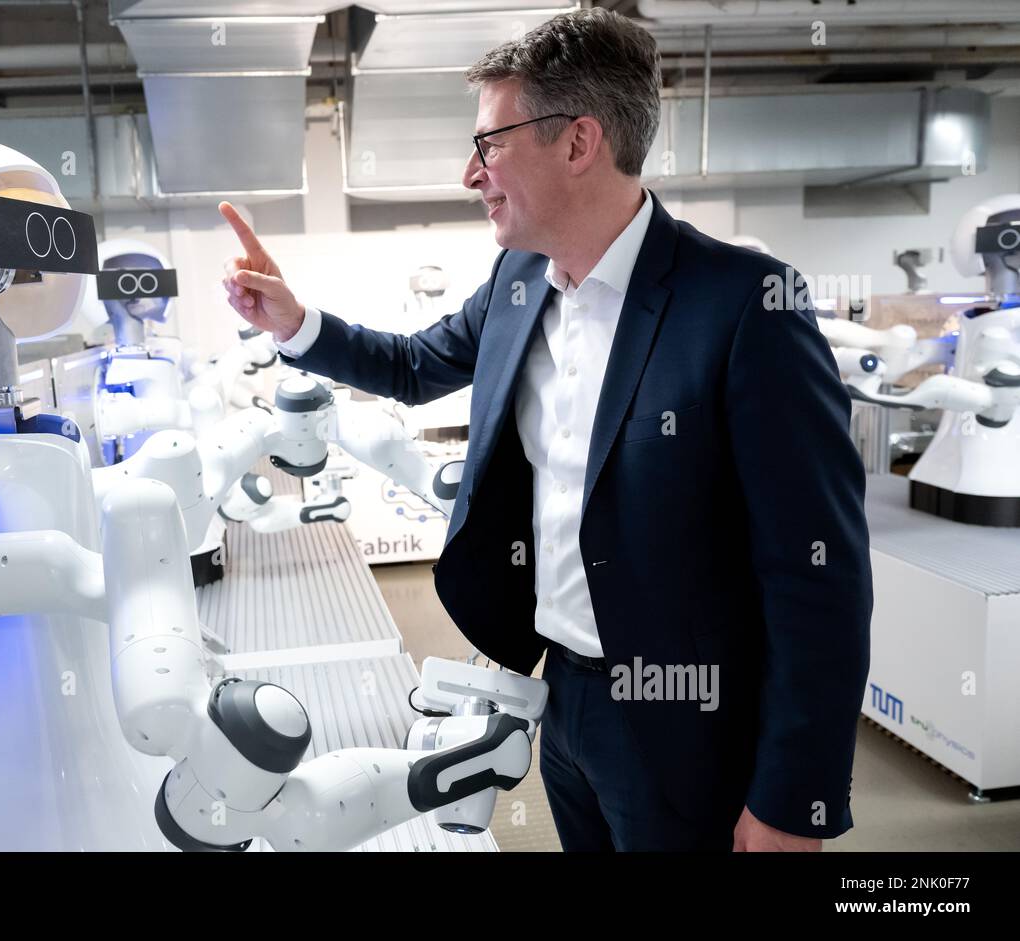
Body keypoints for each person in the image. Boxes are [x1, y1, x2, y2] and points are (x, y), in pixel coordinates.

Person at [218, 7, 871, 852]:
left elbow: (819, 577)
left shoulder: (745, 307)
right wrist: (295, 321)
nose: (470, 172)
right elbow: (417, 365)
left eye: (489, 143)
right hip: (562, 700)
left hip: (688, 726)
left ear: (578, 142)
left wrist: (793, 800)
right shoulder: (521, 280)